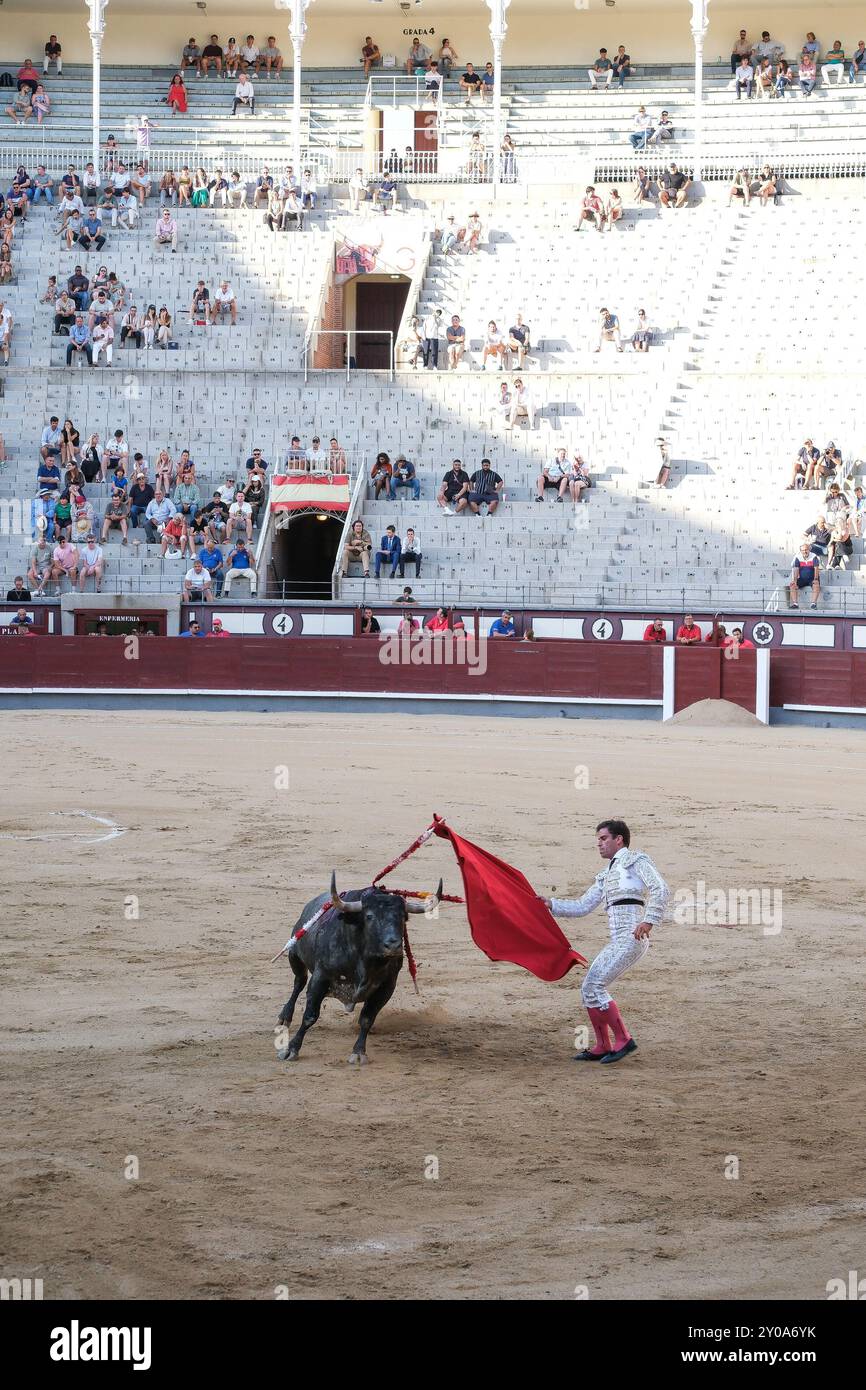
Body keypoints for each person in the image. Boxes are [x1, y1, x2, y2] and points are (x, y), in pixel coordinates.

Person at [542, 820, 669, 1064]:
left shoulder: (635, 860)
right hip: (619, 940)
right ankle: (603, 1044)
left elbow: (660, 888)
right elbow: (582, 906)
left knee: (595, 986)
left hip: (632, 936)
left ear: (618, 839)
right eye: (598, 840)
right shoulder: (607, 874)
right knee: (589, 988)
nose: (598, 844)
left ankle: (624, 1039)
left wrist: (649, 920)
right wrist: (550, 904)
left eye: (603, 838)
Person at [790, 543, 820, 608]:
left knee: (816, 585)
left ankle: (813, 604)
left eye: (806, 550)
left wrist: (816, 579)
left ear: (809, 550)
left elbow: (816, 568)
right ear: (800, 551)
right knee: (792, 585)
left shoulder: (814, 556)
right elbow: (796, 569)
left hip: (812, 578)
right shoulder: (798, 557)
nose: (804, 551)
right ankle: (795, 604)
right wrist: (794, 580)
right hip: (802, 579)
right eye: (803, 550)